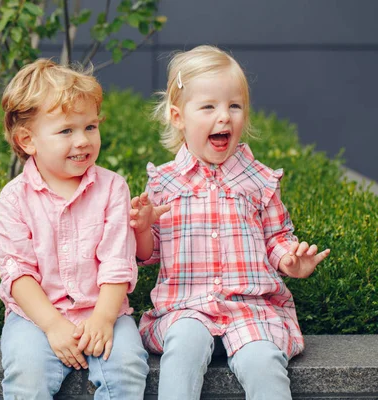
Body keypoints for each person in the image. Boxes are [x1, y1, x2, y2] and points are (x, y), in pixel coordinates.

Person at [129, 45, 330, 400]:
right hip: (187, 307)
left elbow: (276, 237)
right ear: (178, 117)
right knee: (184, 349)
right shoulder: (164, 182)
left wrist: (289, 260)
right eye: (208, 106)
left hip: (251, 308)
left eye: (234, 106)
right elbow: (150, 253)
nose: (224, 116)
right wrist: (143, 229)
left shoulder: (259, 180)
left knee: (263, 361)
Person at [0, 58, 149, 399]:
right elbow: (17, 273)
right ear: (27, 140)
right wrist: (52, 325)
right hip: (35, 317)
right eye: (66, 130)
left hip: (103, 309)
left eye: (90, 127)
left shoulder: (112, 188)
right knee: (26, 370)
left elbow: (117, 262)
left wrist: (105, 318)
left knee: (126, 366)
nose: (83, 140)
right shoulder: (14, 199)